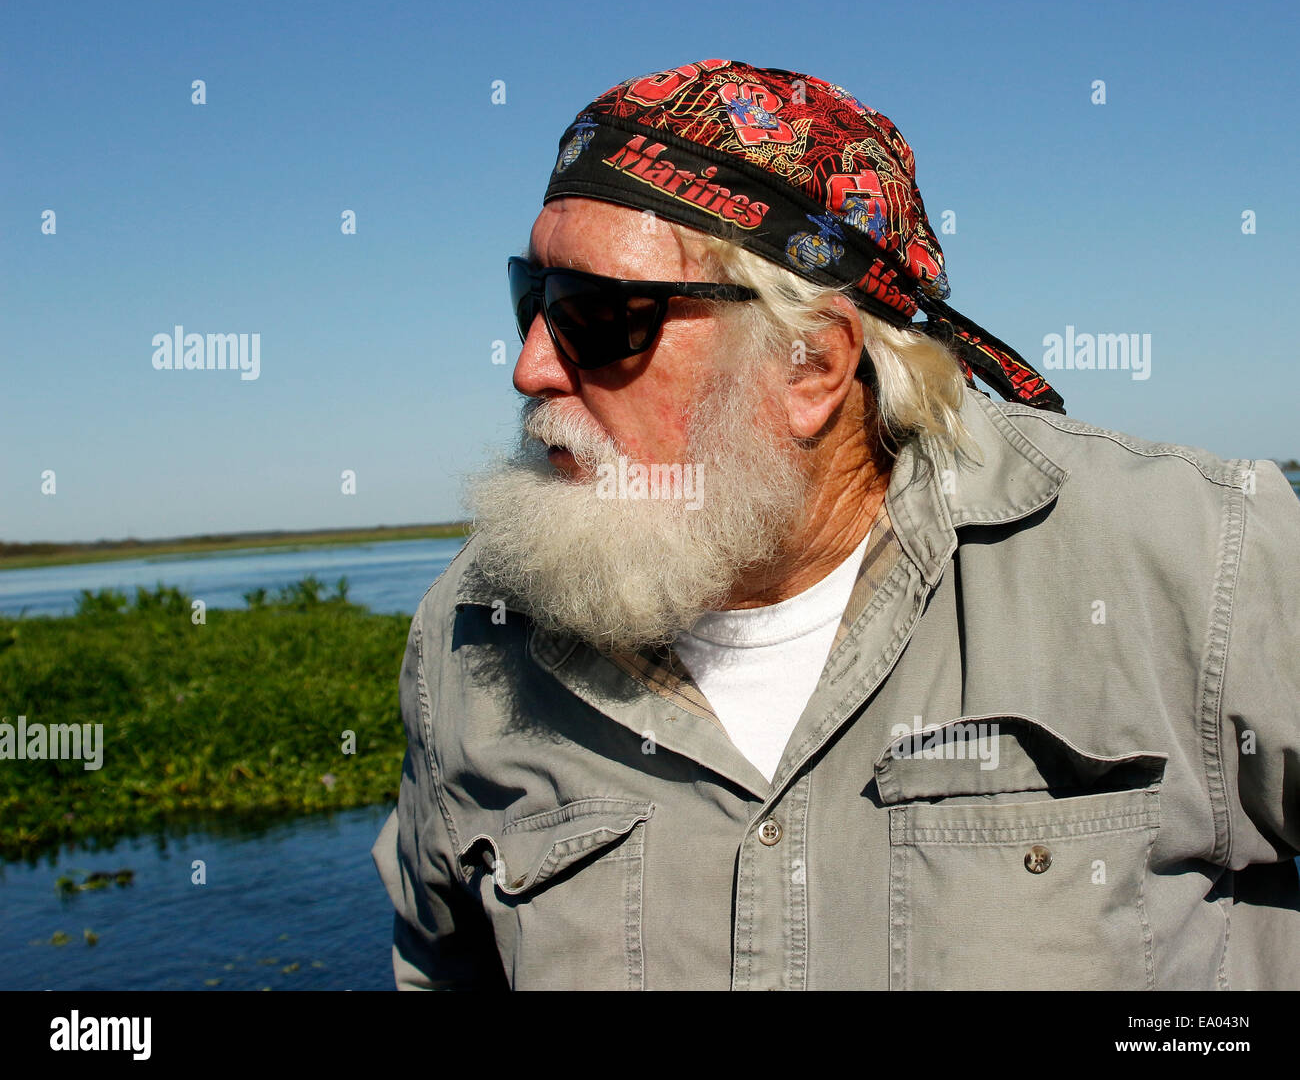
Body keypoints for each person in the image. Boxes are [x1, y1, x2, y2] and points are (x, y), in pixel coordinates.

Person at [371, 59, 1300, 990]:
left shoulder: (1203, 554)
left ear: (810, 364)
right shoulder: (470, 636)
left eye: (594, 313)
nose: (531, 366)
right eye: (530, 301)